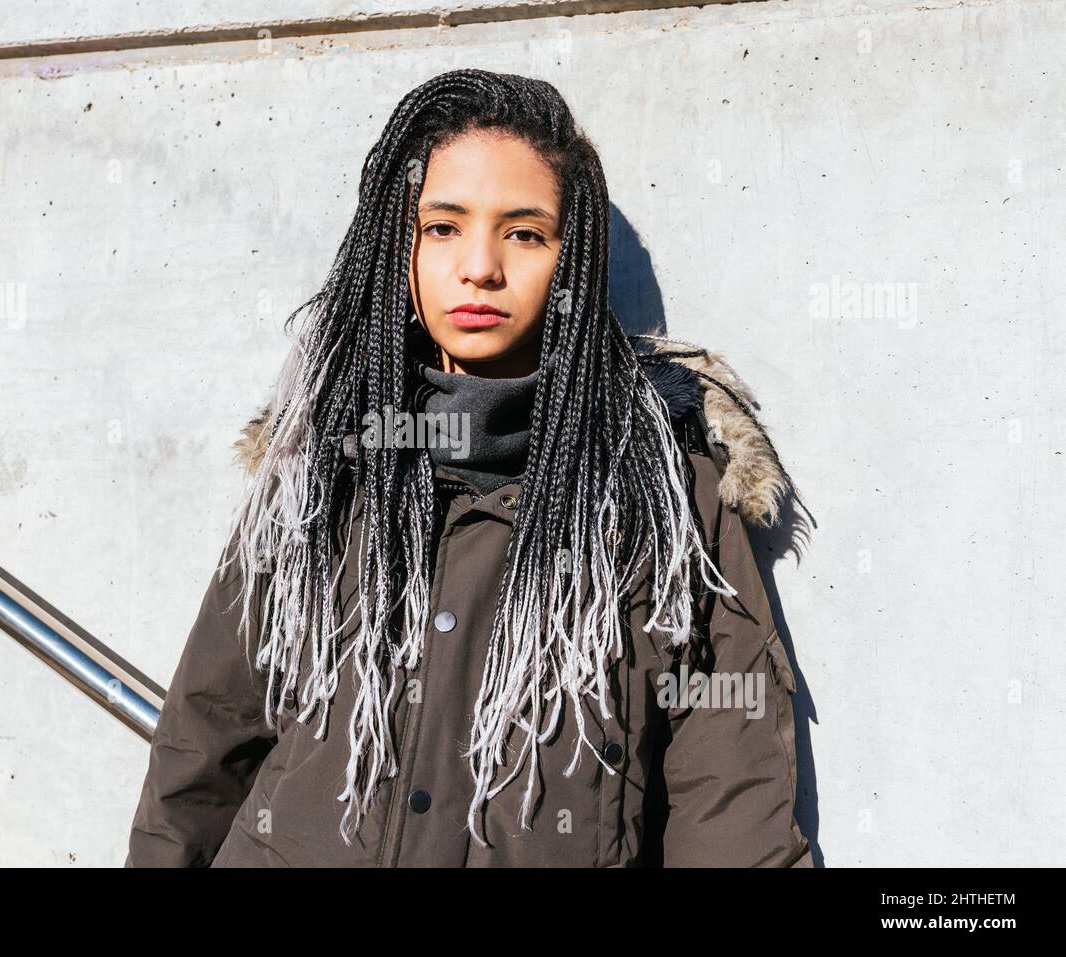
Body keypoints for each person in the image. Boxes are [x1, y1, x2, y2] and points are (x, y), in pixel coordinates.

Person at [124, 68, 813, 867]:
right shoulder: (320, 469)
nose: (479, 266)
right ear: (396, 243)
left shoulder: (665, 494)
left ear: (572, 256)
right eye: (443, 227)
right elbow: (206, 740)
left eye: (524, 233)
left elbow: (729, 794)